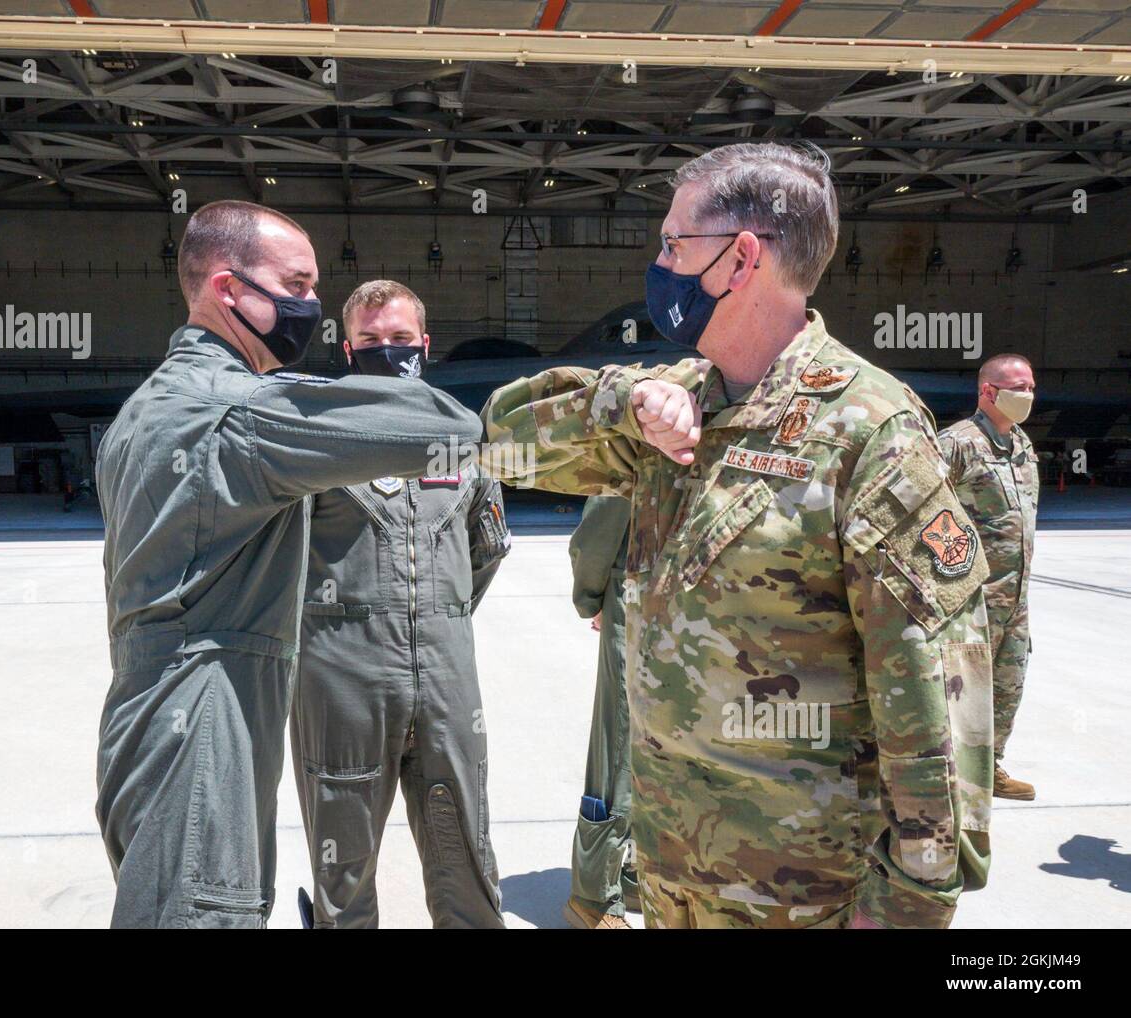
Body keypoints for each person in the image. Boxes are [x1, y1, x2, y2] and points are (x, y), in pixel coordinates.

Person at [481, 142, 994, 929]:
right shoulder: (679, 400)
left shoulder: (869, 432)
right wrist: (624, 402)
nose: (659, 264)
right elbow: (504, 441)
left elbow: (936, 688)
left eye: (672, 244)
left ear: (740, 258)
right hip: (673, 873)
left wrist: (912, 902)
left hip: (803, 893)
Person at [93, 202, 480, 928]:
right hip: (202, 739)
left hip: (157, 722)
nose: (312, 309)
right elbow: (449, 430)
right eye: (298, 287)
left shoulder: (145, 408)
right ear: (229, 290)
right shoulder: (238, 409)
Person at [290, 280, 509, 929]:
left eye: (401, 340)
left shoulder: (463, 437)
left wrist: (437, 616)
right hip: (342, 679)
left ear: (425, 344)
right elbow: (280, 556)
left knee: (465, 847)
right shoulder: (315, 437)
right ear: (348, 347)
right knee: (342, 862)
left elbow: (485, 550)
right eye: (372, 341)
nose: (388, 351)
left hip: (446, 675)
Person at [938, 354, 1040, 801]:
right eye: (1019, 387)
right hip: (971, 599)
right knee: (959, 693)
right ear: (988, 392)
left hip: (1014, 600)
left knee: (1007, 688)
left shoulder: (1022, 445)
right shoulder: (957, 444)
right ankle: (945, 778)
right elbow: (925, 515)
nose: (1029, 395)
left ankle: (989, 768)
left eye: (1032, 387)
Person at [564, 495, 638, 930]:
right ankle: (594, 895)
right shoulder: (642, 428)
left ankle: (637, 874)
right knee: (620, 747)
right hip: (640, 587)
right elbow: (606, 511)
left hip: (707, 604)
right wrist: (592, 597)